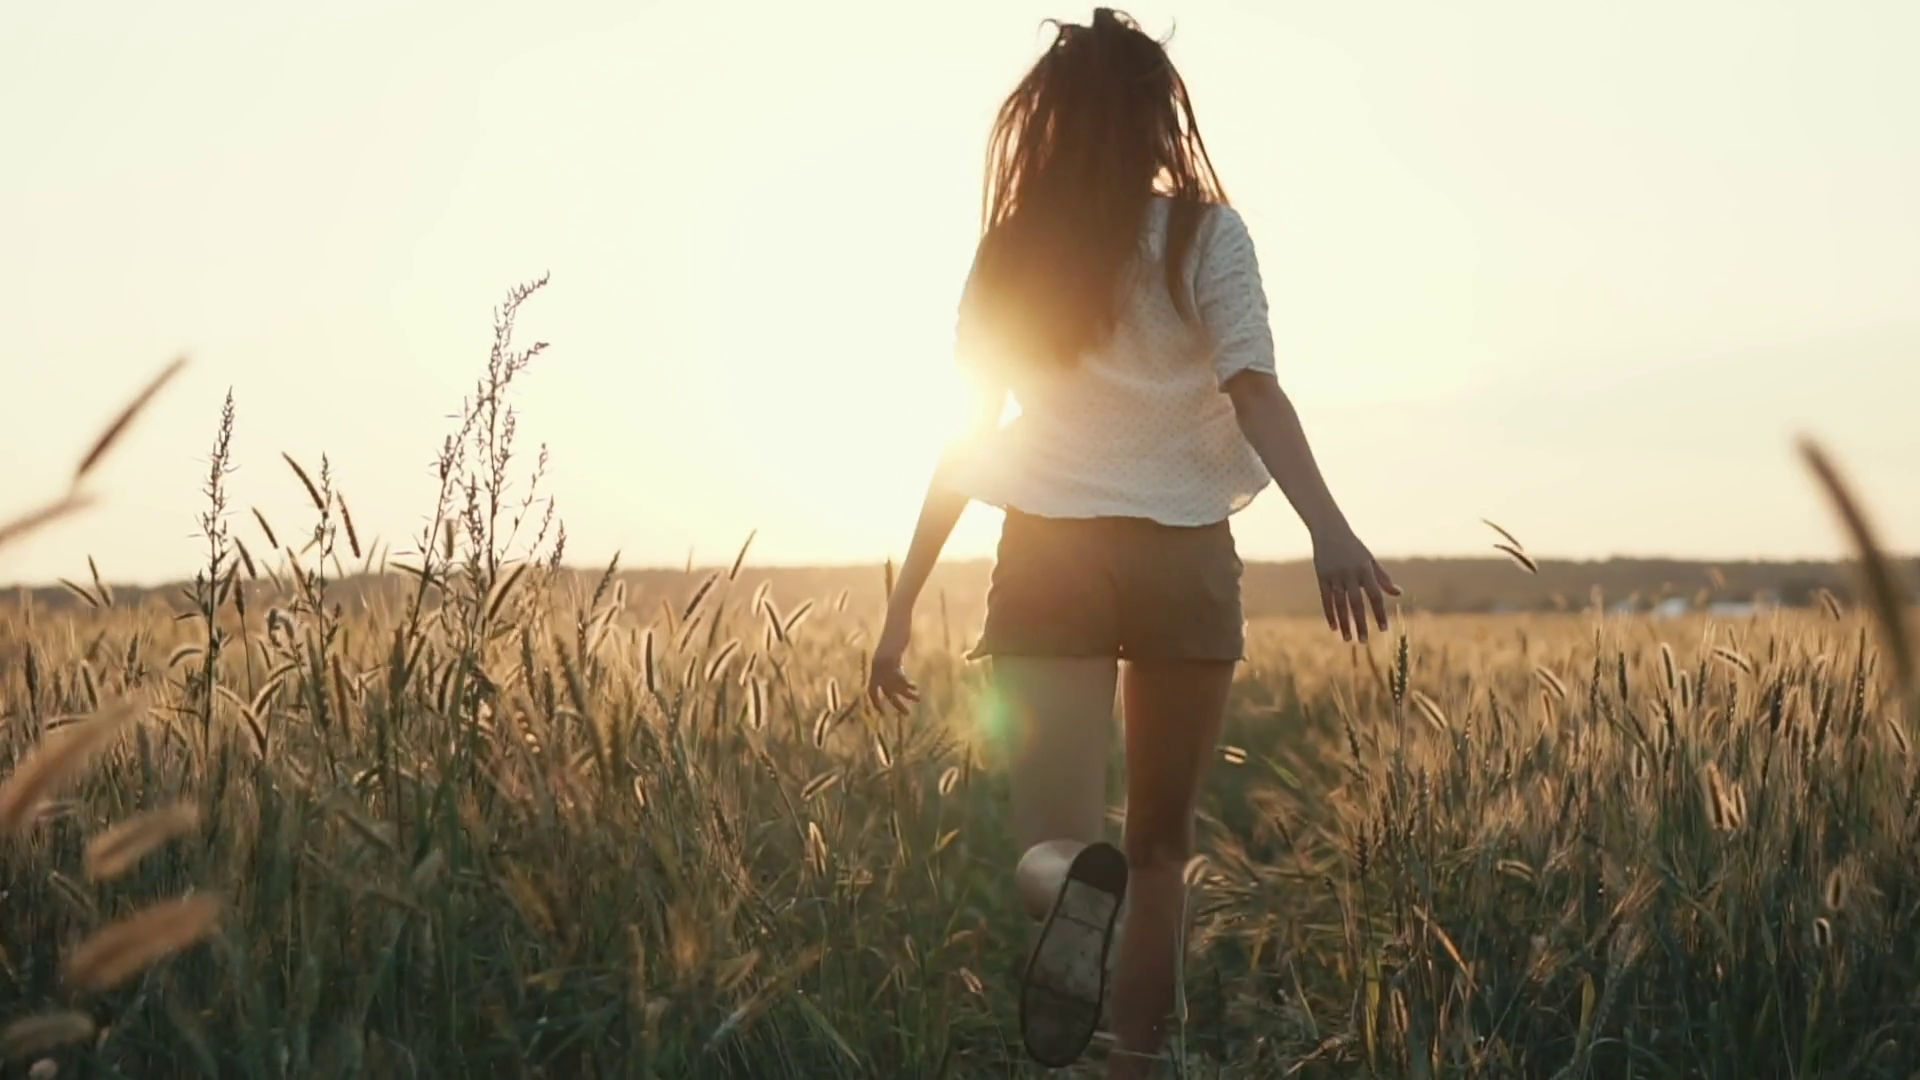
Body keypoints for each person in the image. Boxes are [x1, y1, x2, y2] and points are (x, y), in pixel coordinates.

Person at [866, 8, 1399, 1074]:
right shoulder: (1210, 235)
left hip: (1049, 554)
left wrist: (898, 606)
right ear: (1160, 122)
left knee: (1054, 850)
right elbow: (1252, 388)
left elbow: (970, 435)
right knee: (1161, 848)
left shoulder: (1014, 250)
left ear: (1052, 124)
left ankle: (1069, 905)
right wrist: (1331, 528)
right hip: (1184, 556)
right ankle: (1137, 1061)